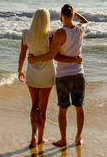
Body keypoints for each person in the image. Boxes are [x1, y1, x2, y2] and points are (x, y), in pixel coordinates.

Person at [18, 8, 81, 148]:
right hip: (47, 74)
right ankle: (40, 138)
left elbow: (23, 55)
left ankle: (33, 137)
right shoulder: (51, 35)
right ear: (47, 20)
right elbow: (55, 54)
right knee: (43, 108)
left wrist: (20, 70)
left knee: (34, 106)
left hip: (32, 74)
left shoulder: (26, 35)